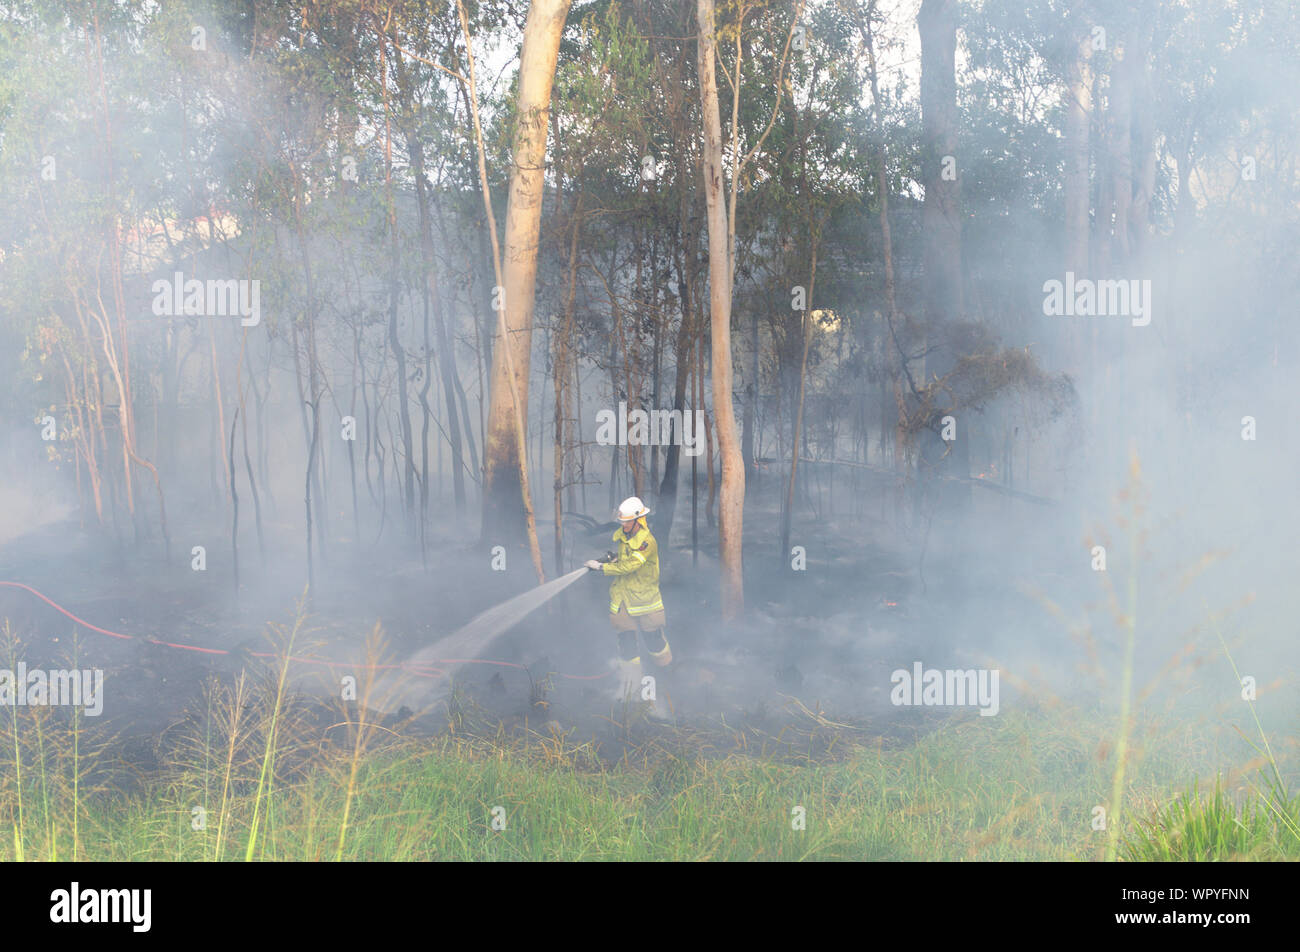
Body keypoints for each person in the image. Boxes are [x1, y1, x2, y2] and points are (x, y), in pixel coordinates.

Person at [585, 496, 672, 710]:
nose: (623, 524)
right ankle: (631, 687)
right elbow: (624, 561)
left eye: (626, 521)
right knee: (626, 644)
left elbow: (631, 566)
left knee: (654, 642)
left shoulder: (646, 541)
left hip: (645, 601)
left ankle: (668, 676)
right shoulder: (624, 538)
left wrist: (601, 568)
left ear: (639, 519)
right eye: (621, 521)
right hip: (623, 599)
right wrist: (612, 559)